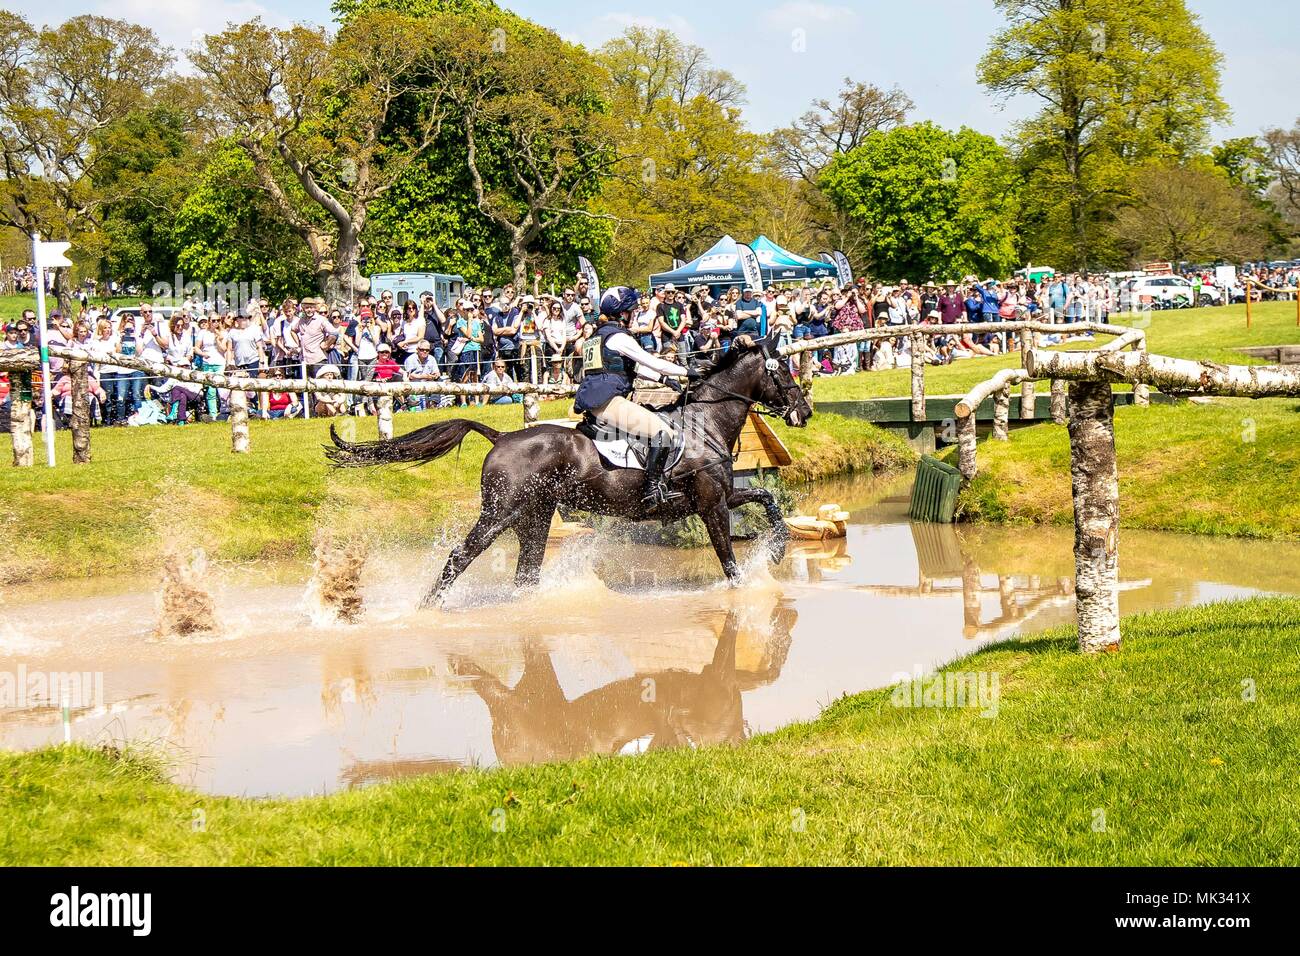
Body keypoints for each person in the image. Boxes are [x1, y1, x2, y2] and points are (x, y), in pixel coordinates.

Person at [573, 287, 698, 509]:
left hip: (594, 401)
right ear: (622, 313)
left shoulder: (596, 336)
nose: (632, 315)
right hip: (609, 402)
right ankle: (652, 489)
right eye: (630, 311)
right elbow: (651, 361)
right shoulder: (618, 336)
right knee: (664, 433)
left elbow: (624, 367)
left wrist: (663, 379)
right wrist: (687, 372)